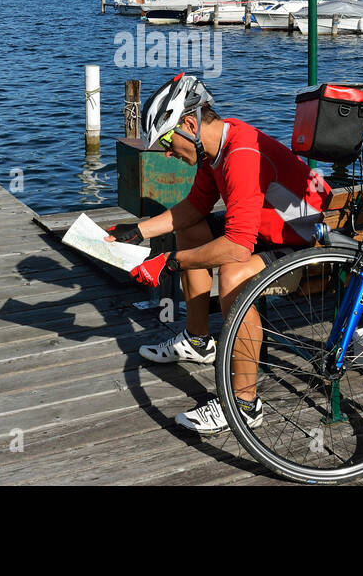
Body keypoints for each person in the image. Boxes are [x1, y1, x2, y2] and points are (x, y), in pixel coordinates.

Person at [105, 73, 334, 435]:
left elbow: (237, 246)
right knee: (189, 230)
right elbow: (195, 206)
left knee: (233, 277)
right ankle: (198, 341)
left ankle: (244, 405)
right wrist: (138, 231)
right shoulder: (217, 146)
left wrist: (168, 262)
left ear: (190, 125)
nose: (166, 152)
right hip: (264, 229)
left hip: (303, 241)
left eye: (166, 140)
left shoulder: (241, 154)